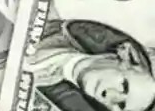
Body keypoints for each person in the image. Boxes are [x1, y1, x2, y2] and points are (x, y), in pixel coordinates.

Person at [27, 19, 155, 111]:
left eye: (121, 105)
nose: (110, 95)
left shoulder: (52, 101)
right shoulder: (62, 22)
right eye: (123, 85)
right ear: (126, 55)